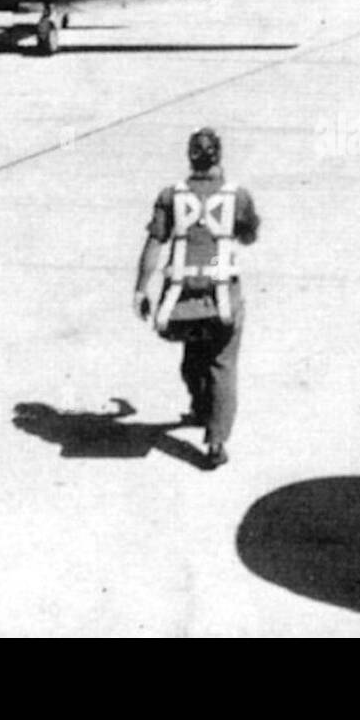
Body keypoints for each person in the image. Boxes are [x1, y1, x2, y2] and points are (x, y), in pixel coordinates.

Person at [133, 128, 259, 469]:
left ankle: (201, 408)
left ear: (190, 157)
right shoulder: (238, 196)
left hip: (182, 298)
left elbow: (154, 245)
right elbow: (249, 236)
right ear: (218, 157)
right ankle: (215, 442)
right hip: (222, 297)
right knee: (222, 365)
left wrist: (141, 290)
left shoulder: (170, 196)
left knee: (193, 359)